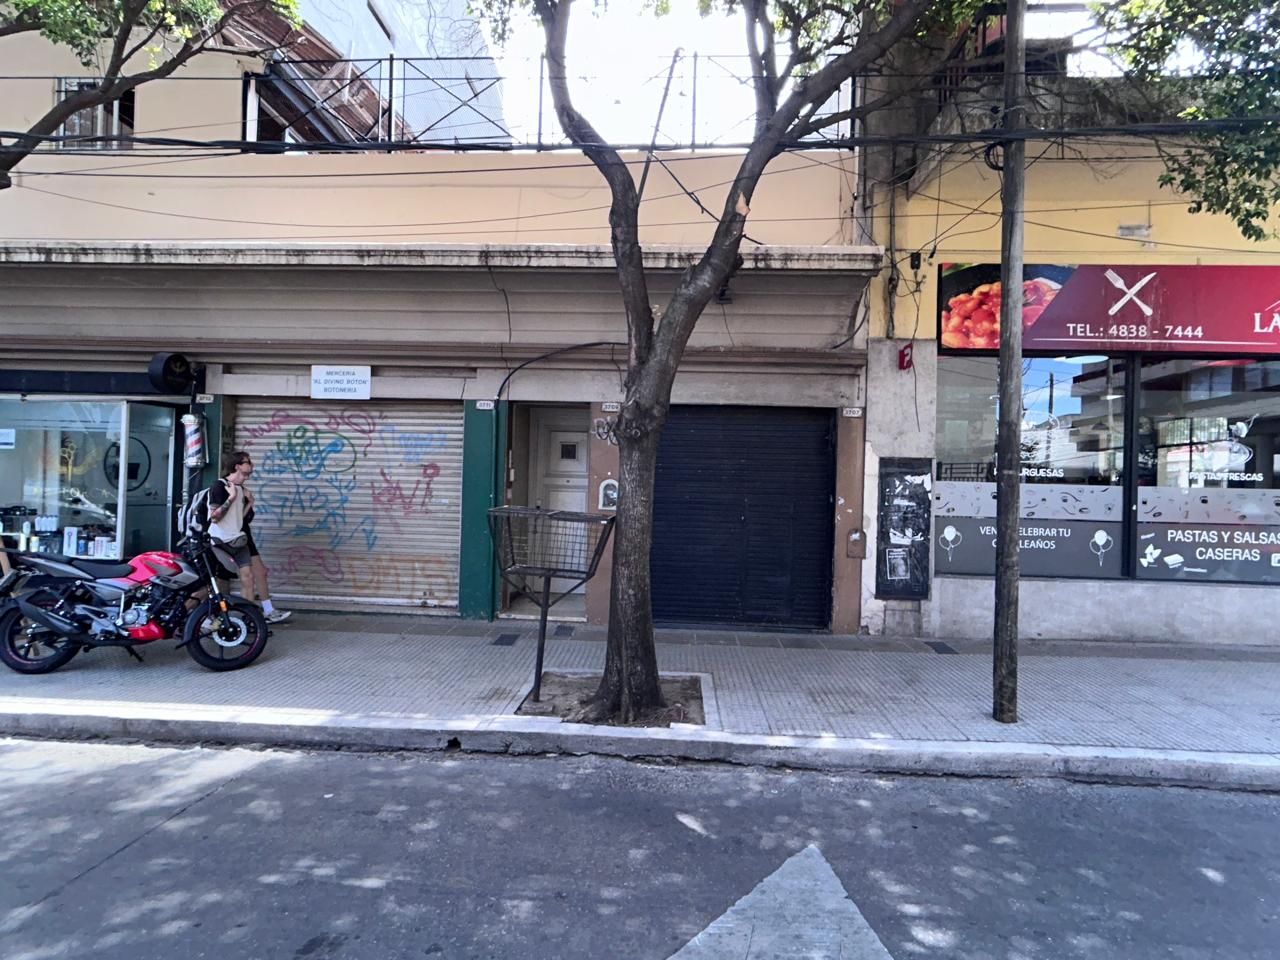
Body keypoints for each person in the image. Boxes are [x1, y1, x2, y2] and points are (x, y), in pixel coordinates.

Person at [207, 451, 291, 624]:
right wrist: (231, 498)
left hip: (239, 537)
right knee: (215, 580)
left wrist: (249, 503)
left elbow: (240, 519)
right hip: (220, 541)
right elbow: (214, 517)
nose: (251, 465)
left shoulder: (241, 489)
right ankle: (211, 617)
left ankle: (251, 617)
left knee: (249, 577)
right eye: (247, 462)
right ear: (237, 465)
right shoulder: (220, 486)